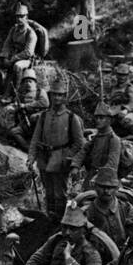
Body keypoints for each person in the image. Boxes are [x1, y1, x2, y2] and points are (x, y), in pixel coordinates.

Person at [29, 77, 84, 220]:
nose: (57, 98)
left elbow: (79, 143)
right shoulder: (44, 116)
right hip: (44, 158)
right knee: (49, 192)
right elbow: (35, 138)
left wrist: (67, 155)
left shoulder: (72, 118)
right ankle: (50, 219)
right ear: (50, 96)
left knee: (60, 193)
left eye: (60, 95)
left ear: (65, 97)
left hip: (60, 159)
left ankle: (60, 220)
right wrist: (31, 158)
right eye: (54, 94)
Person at [83, 167, 131, 247]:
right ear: (95, 186)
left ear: (117, 188)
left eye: (110, 187)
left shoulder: (126, 207)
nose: (106, 191)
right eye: (102, 187)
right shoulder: (87, 212)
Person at [80, 105, 124, 188]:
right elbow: (84, 151)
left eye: (101, 118)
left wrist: (98, 176)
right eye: (96, 118)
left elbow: (112, 163)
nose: (97, 120)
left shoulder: (114, 140)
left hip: (108, 179)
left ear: (109, 120)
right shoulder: (96, 137)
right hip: (93, 174)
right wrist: (75, 165)